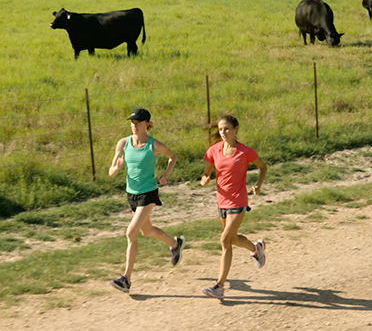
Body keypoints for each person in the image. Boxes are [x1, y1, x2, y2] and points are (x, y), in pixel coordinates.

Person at [108, 108, 185, 294]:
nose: (134, 126)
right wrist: (117, 166)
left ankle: (126, 279)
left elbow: (173, 157)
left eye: (139, 123)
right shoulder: (123, 143)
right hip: (131, 194)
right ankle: (175, 244)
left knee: (131, 232)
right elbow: (111, 171)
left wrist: (165, 175)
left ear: (147, 124)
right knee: (147, 231)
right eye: (132, 122)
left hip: (148, 193)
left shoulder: (154, 145)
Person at [199, 114, 268, 301]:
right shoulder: (213, 151)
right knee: (232, 239)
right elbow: (206, 173)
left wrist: (258, 185)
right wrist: (205, 179)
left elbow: (263, 167)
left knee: (224, 240)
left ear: (236, 129)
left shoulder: (245, 152)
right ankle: (256, 248)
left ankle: (219, 286)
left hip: (238, 201)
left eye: (227, 129)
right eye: (220, 129)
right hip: (221, 201)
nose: (223, 132)